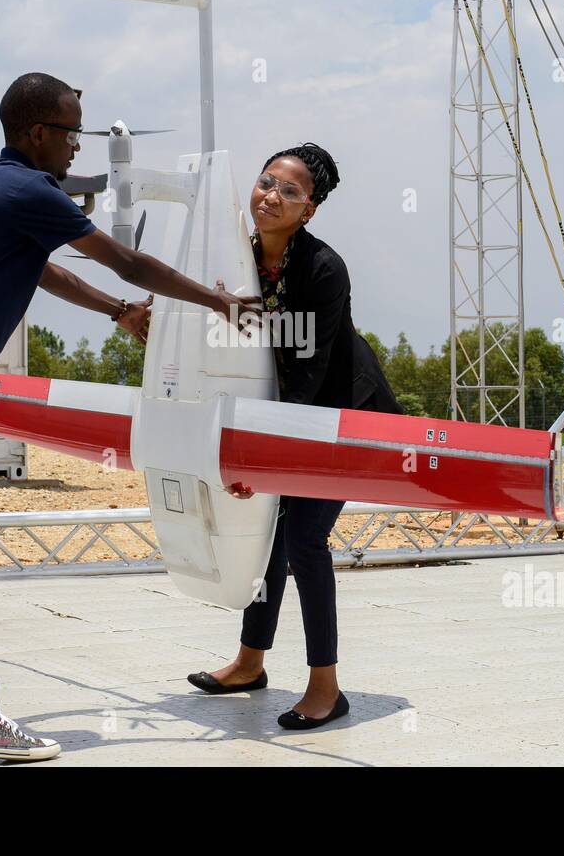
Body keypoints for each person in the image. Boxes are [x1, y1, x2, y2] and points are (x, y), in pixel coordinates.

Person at [0, 72, 258, 762]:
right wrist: (216, 302)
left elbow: (46, 272)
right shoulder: (29, 190)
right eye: (73, 132)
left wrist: (115, 314)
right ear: (38, 132)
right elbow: (129, 261)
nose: (79, 147)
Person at [187, 143, 402, 730]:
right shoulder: (240, 256)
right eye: (265, 183)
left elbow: (307, 376)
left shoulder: (323, 269)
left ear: (309, 210)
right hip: (281, 411)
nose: (271, 196)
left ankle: (326, 689)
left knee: (304, 539)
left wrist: (255, 459)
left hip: (338, 416)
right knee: (269, 541)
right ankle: (250, 663)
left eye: (289, 191)